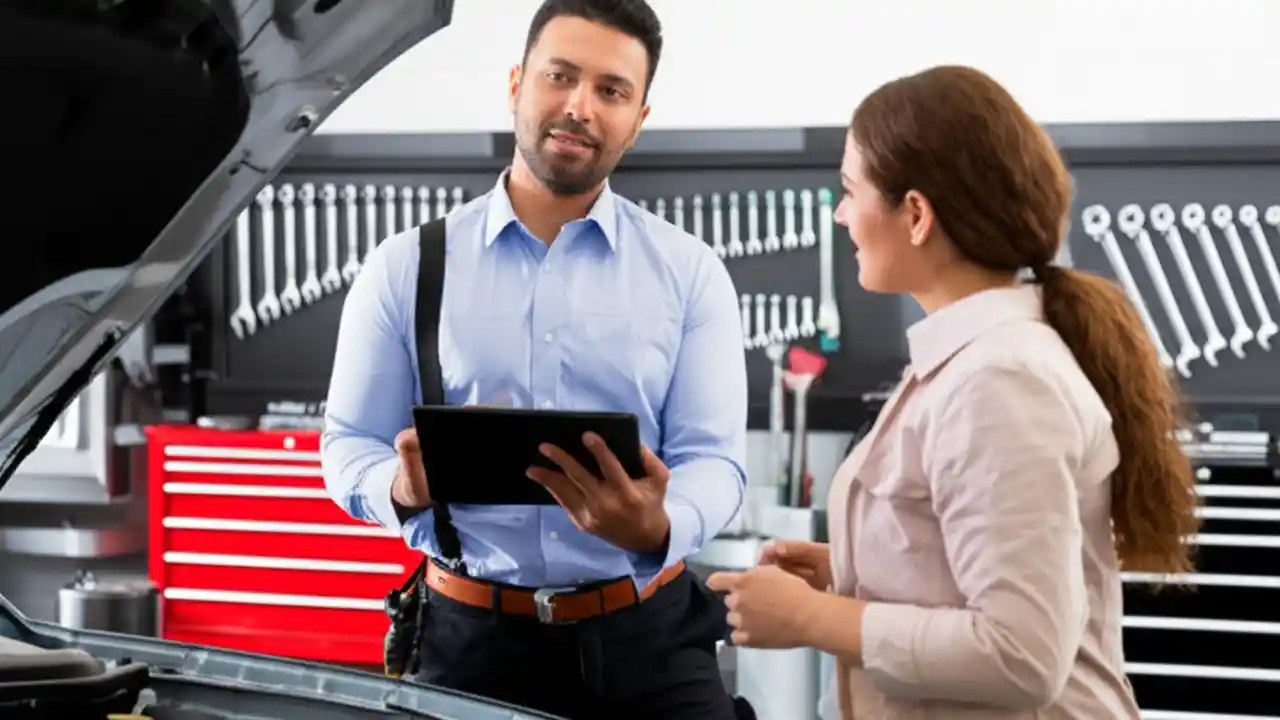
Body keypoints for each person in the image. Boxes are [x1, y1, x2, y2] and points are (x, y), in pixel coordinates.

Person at [707, 64, 1201, 719]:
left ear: (915, 215)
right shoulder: (970, 361)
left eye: (850, 191)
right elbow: (967, 560)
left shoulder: (1001, 381)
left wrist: (812, 618)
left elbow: (1020, 653)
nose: (841, 215)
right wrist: (854, 567)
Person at [320, 1, 749, 718]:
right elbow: (346, 445)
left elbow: (717, 461)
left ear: (638, 119)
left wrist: (658, 526)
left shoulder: (691, 273)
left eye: (612, 90)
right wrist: (398, 487)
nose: (580, 106)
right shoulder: (405, 268)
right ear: (517, 83)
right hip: (469, 646)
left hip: (651, 643)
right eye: (560, 76)